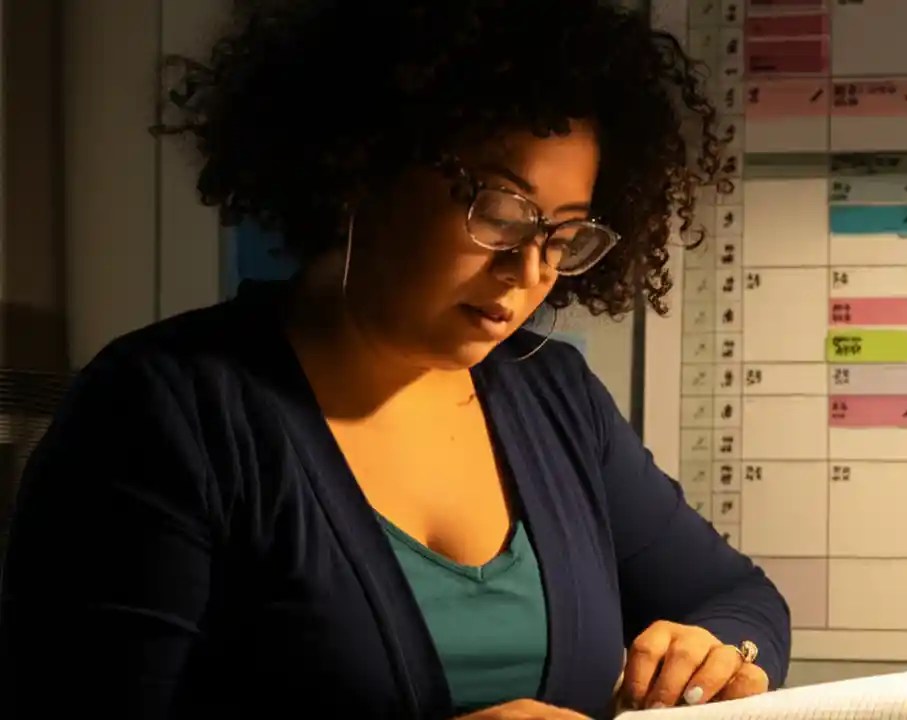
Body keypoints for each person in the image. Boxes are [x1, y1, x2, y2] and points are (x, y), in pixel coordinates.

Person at [0, 1, 791, 718]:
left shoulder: (552, 396)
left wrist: (716, 653)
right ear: (363, 167)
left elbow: (737, 598)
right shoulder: (166, 409)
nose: (529, 274)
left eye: (563, 234)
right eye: (501, 213)